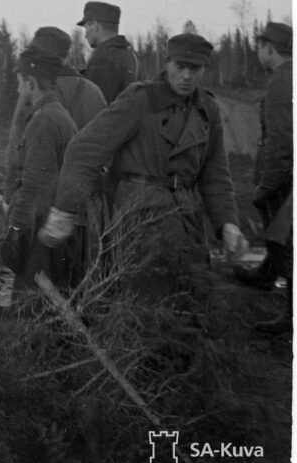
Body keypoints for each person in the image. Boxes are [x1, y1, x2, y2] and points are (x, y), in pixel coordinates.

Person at [39, 33, 247, 302]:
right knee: (144, 299)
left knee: (188, 296)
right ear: (167, 62)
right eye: (179, 66)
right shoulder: (141, 99)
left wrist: (228, 224)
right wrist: (65, 209)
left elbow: (216, 173)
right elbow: (84, 149)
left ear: (204, 69)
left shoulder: (208, 108)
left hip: (187, 217)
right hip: (141, 217)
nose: (186, 76)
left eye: (194, 69)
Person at [3, 48, 81, 296]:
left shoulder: (43, 120)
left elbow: (34, 186)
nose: (18, 90)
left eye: (20, 84)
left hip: (42, 235)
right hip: (58, 230)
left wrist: (16, 230)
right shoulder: (61, 115)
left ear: (31, 82)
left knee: (30, 310)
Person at [3, 27, 106, 206]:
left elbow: (17, 148)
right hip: (86, 202)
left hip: (44, 202)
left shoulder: (35, 91)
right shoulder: (94, 91)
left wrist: (8, 197)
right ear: (65, 56)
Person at [246, 22, 293, 332]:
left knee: (282, 243)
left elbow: (281, 141)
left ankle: (290, 319)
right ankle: (266, 275)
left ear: (268, 48)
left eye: (260, 47)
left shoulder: (280, 82)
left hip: (284, 179)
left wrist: (266, 186)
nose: (258, 53)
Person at [76, 1, 141, 104]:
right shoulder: (133, 58)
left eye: (87, 28)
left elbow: (93, 106)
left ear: (96, 26)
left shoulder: (102, 60)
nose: (85, 35)